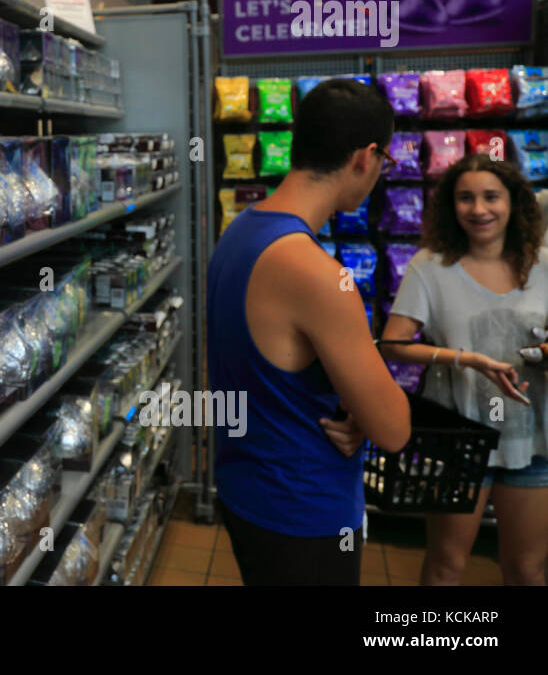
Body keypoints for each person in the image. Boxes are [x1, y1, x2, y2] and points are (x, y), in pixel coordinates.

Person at [207, 78, 410, 586]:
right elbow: (393, 429)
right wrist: (367, 412)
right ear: (365, 157)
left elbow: (270, 366)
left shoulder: (239, 231)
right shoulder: (319, 274)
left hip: (246, 490)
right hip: (306, 514)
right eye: (385, 162)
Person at [381, 153, 547, 586]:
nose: (478, 209)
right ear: (450, 207)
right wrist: (463, 358)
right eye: (465, 198)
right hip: (459, 442)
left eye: (491, 197)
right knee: (446, 566)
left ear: (514, 203)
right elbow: (393, 345)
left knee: (527, 570)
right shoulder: (430, 267)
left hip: (533, 440)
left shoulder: (545, 265)